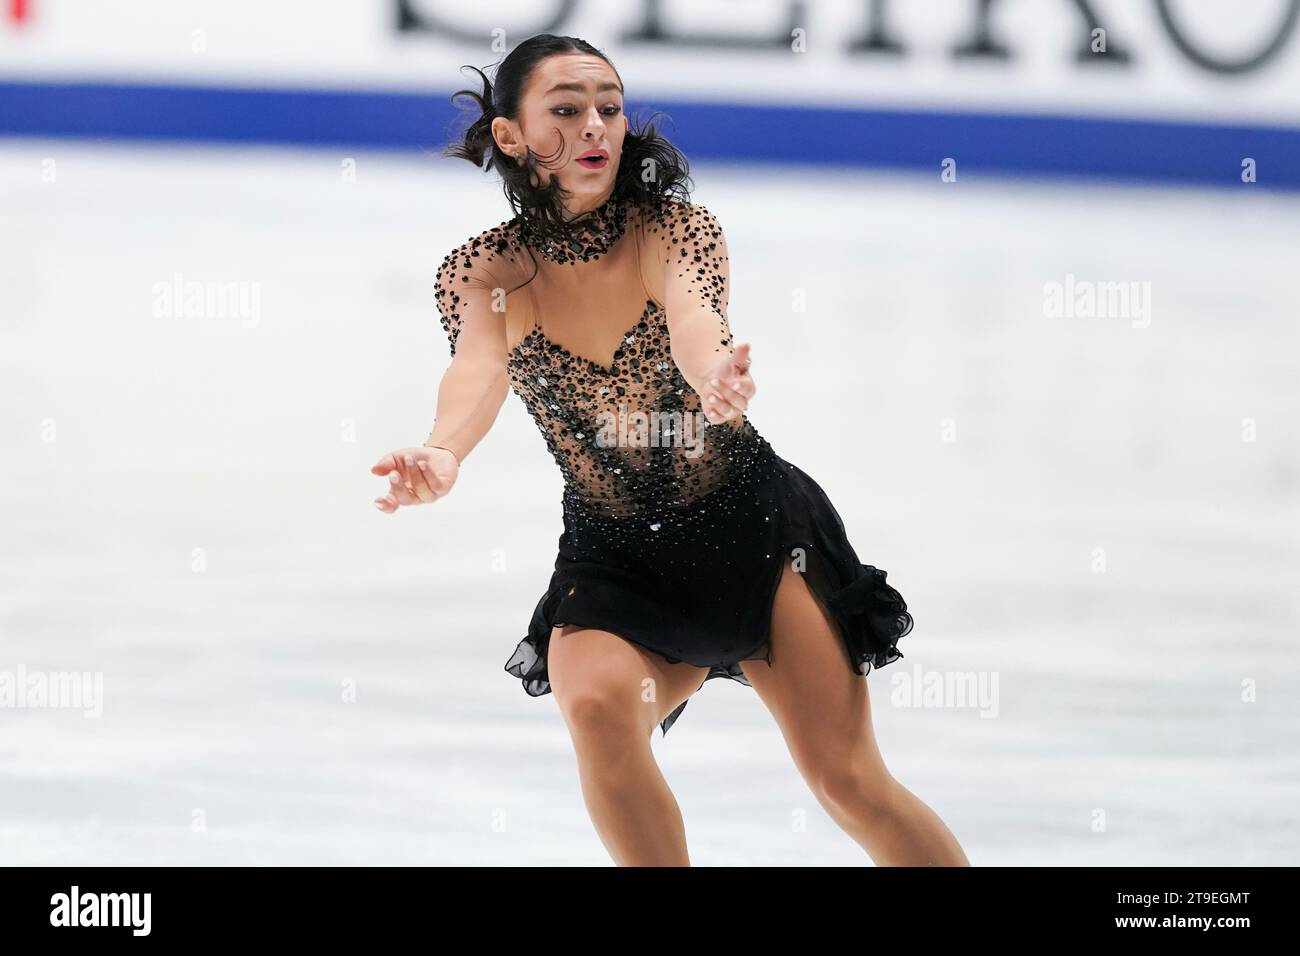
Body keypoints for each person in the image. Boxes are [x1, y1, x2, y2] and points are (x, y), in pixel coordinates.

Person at [370, 34, 969, 867]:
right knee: (597, 711)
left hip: (755, 538)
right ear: (510, 136)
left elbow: (694, 318)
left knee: (847, 782)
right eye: (567, 109)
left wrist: (715, 370)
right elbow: (478, 368)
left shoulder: (672, 230)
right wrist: (443, 451)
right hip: (614, 557)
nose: (595, 128)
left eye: (609, 109)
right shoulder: (483, 272)